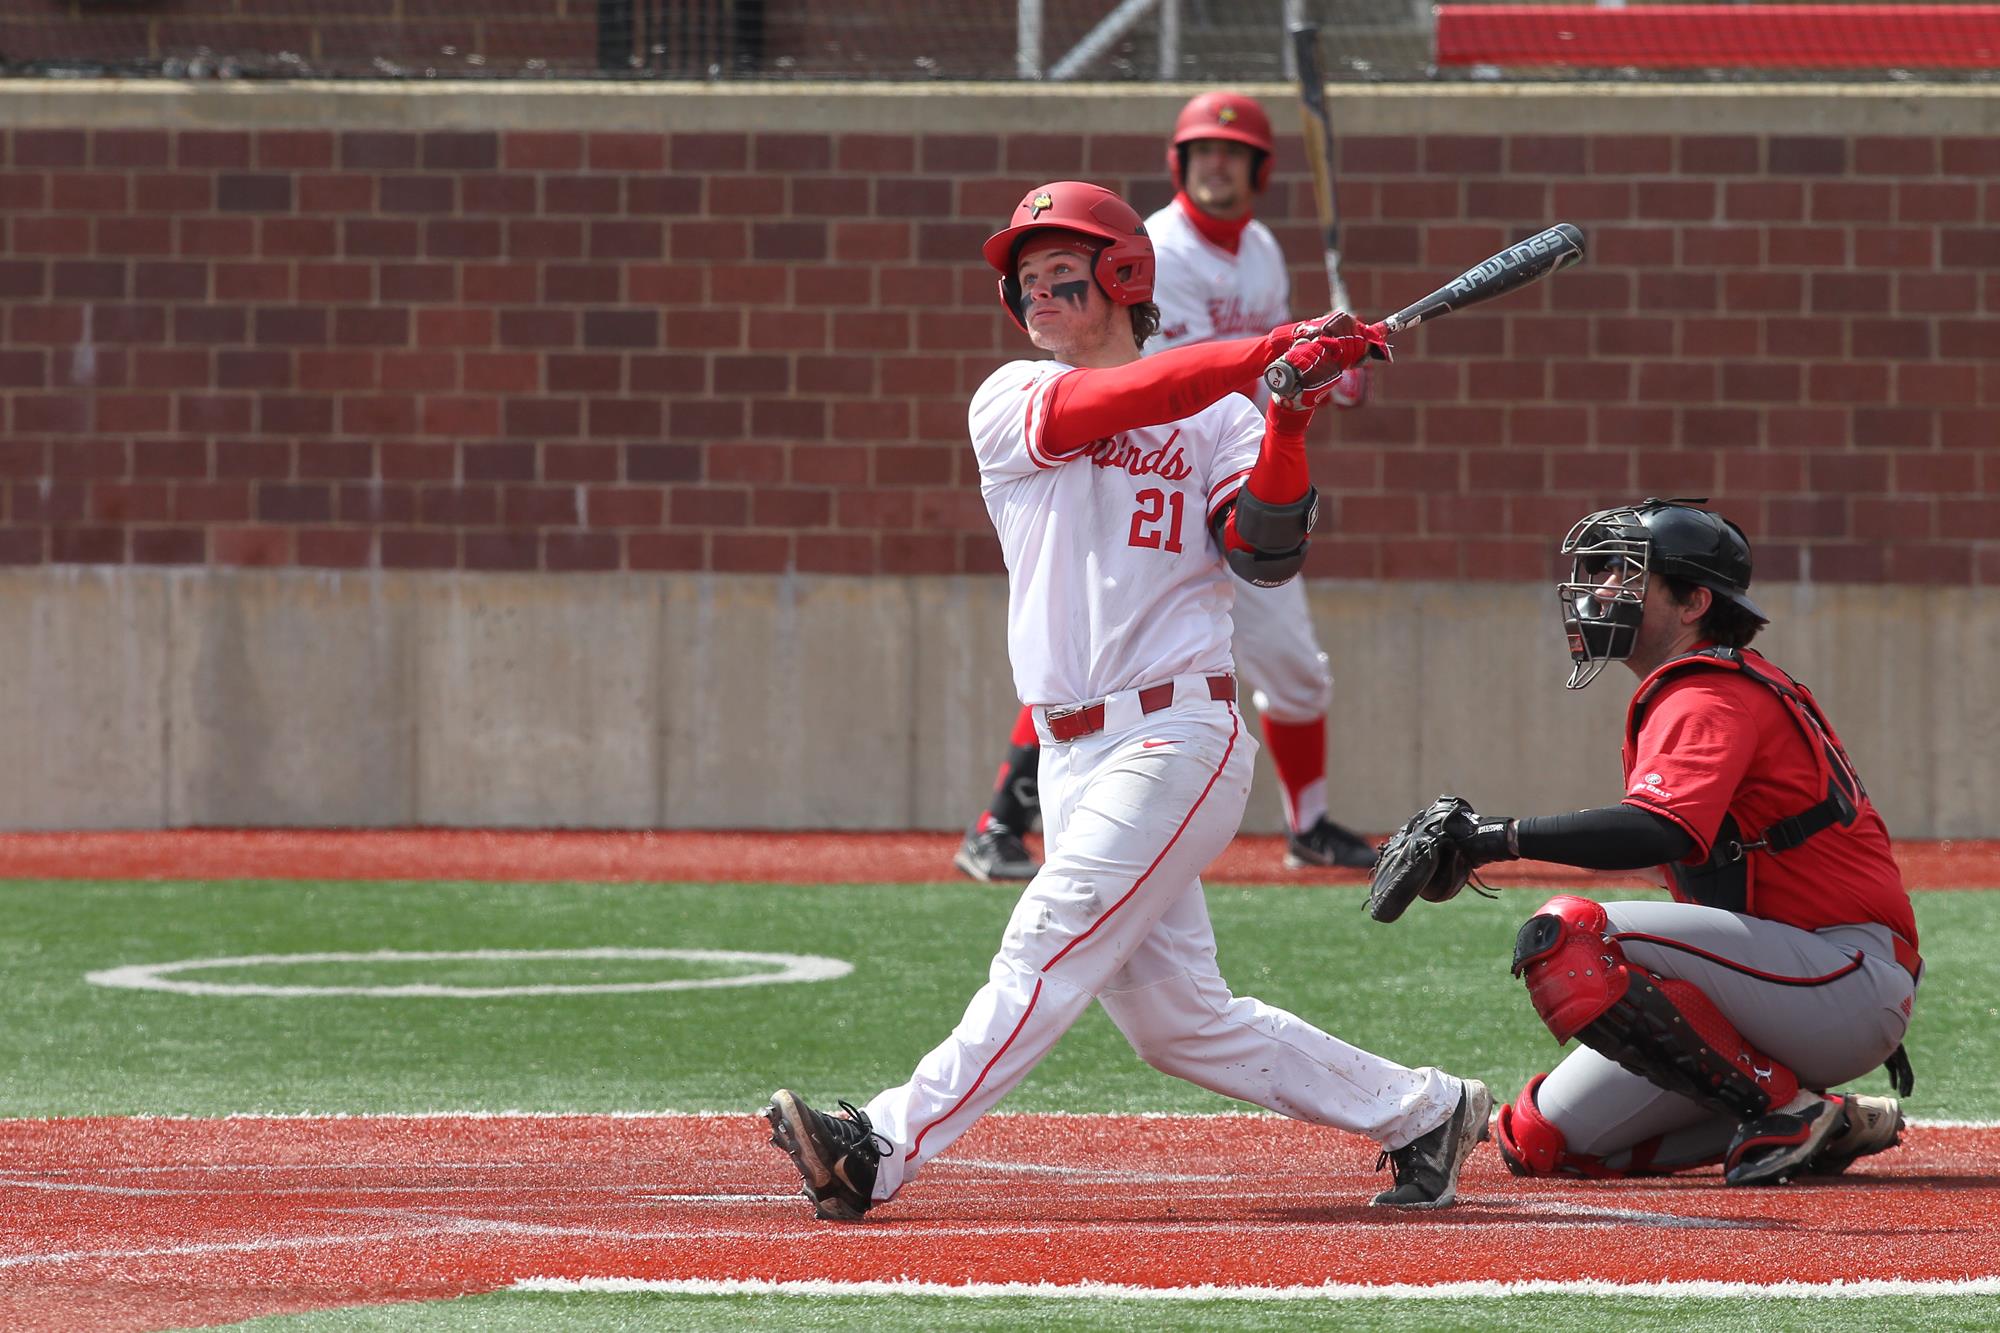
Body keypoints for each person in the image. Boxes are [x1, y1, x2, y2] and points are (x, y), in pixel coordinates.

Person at [766, 180, 1489, 1220]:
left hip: (1176, 730)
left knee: (1044, 938)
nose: (1033, 290)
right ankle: (1422, 1110)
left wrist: (1285, 415)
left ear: (1122, 273)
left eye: (1057, 267)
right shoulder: (1010, 397)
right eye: (1021, 277)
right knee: (1175, 1024)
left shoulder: (1222, 416)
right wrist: (1266, 351)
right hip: (1068, 752)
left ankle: (879, 1143)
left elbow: (1265, 550)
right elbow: (1122, 401)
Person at [1379, 498, 1915, 1185]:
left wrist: (1492, 838)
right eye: (1602, 570)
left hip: (1839, 973)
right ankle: (1821, 1112)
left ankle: (1782, 1106)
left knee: (1569, 935)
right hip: (1783, 980)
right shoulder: (1698, 688)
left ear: (1693, 601)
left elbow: (1658, 829)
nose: (1601, 587)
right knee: (1538, 1137)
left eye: (1626, 573)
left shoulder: (1708, 690)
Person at [952, 91, 1375, 884]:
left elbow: (1248, 398)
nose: (1217, 164)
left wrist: (1315, 381)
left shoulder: (1261, 252)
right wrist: (1280, 352)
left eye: (1232, 152)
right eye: (1202, 152)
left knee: (1288, 668)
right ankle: (1001, 817)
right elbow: (1152, 383)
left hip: (1210, 464)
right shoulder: (1156, 253)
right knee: (1087, 630)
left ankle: (1308, 823)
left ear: (1258, 168)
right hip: (1116, 442)